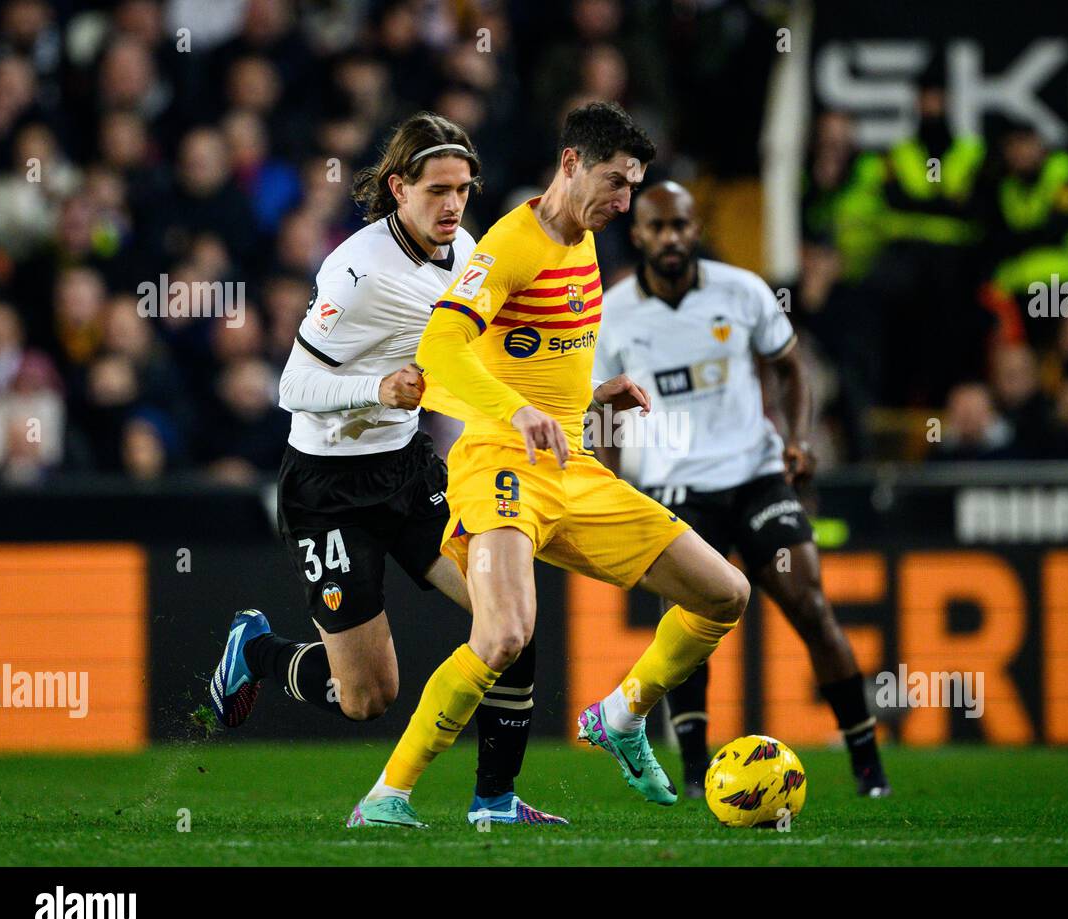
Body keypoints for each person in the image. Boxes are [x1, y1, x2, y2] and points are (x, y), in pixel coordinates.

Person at [352, 102, 750, 827]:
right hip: (500, 461)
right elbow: (441, 347)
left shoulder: (585, 238)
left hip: (571, 465)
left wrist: (594, 398)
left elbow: (533, 358)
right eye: (614, 181)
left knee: (725, 593)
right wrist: (517, 413)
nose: (624, 201)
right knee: (504, 634)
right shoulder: (512, 243)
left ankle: (623, 716)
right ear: (570, 164)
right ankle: (388, 795)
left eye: (632, 186)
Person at [205, 113, 566, 827]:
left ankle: (493, 801)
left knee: (510, 619)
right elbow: (291, 390)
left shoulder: (463, 250)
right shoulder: (356, 271)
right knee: (367, 697)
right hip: (328, 489)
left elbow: (487, 351)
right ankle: (261, 651)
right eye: (437, 189)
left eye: (464, 188)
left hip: (409, 469)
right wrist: (377, 388)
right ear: (399, 187)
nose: (454, 205)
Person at [593, 181, 891, 797]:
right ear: (639, 235)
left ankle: (867, 764)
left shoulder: (743, 290)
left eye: (681, 225)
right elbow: (603, 406)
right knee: (691, 621)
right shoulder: (613, 312)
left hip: (755, 476)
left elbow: (790, 367)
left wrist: (799, 440)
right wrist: (609, 484)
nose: (671, 238)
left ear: (695, 228)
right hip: (675, 487)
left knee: (810, 605)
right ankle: (697, 773)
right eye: (658, 228)